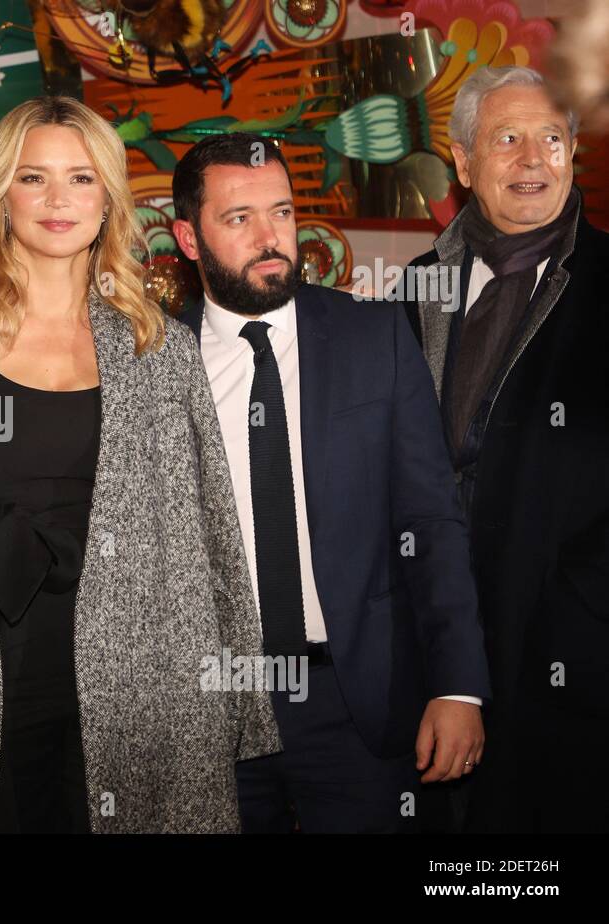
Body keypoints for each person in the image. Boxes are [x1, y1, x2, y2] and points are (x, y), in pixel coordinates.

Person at [0, 96, 280, 834]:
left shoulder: (160, 352)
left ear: (108, 197)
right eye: (33, 177)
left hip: (137, 693)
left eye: (81, 179)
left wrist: (236, 695)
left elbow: (212, 543)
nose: (57, 200)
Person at [171, 133, 490, 833]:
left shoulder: (373, 337)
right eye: (239, 219)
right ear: (188, 238)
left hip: (357, 703)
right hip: (207, 711)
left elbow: (431, 521)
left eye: (281, 212)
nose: (270, 237)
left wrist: (459, 686)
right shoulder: (151, 361)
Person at [402, 66, 609, 833]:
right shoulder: (413, 292)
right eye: (508, 138)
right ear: (461, 161)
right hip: (425, 668)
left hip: (572, 678)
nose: (533, 159)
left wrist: (571, 615)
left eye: (552, 139)